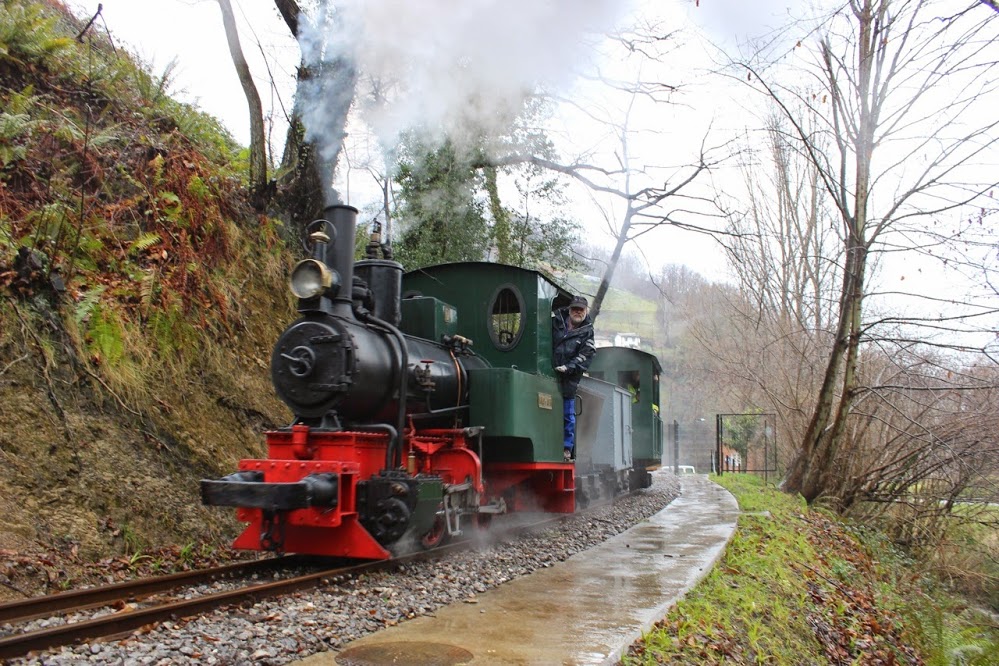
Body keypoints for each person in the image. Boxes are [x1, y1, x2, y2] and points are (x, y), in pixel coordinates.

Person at [552, 295, 596, 461]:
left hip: (569, 378)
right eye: (575, 308)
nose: (577, 312)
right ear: (569, 309)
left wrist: (568, 367)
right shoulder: (556, 322)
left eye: (581, 309)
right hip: (549, 371)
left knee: (567, 413)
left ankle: (566, 447)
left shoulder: (588, 333)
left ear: (585, 311)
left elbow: (586, 355)